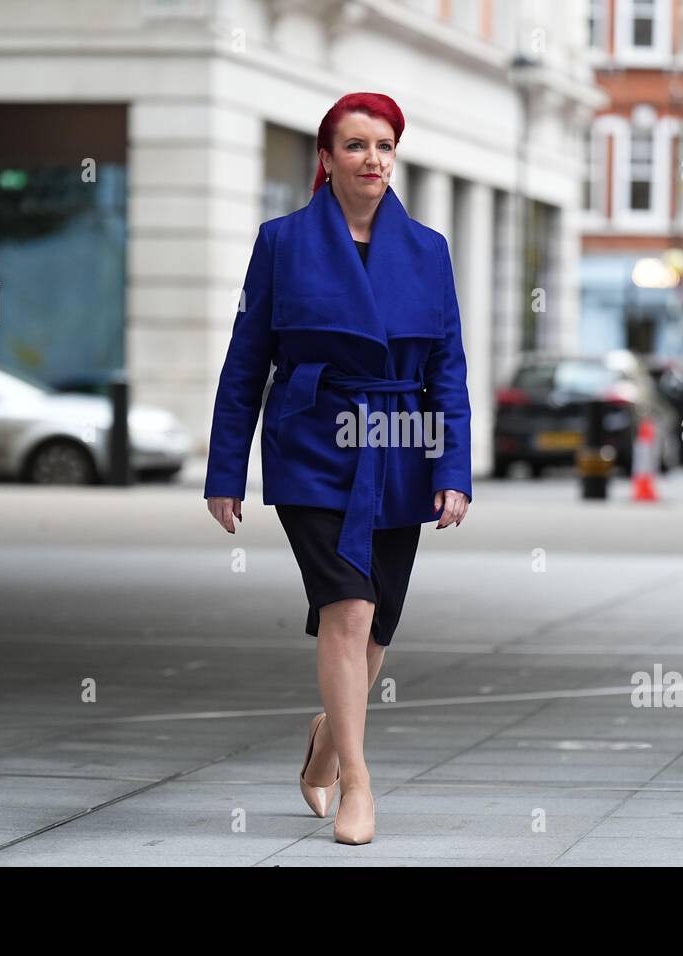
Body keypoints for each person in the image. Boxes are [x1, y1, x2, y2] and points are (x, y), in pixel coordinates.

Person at [204, 92, 472, 845]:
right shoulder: (282, 243)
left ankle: (327, 740)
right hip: (313, 445)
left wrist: (454, 467)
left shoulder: (429, 250)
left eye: (385, 146)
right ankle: (358, 782)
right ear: (326, 159)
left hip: (398, 448)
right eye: (356, 146)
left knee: (378, 624)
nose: (373, 160)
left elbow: (448, 368)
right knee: (345, 612)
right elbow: (246, 362)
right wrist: (227, 467)